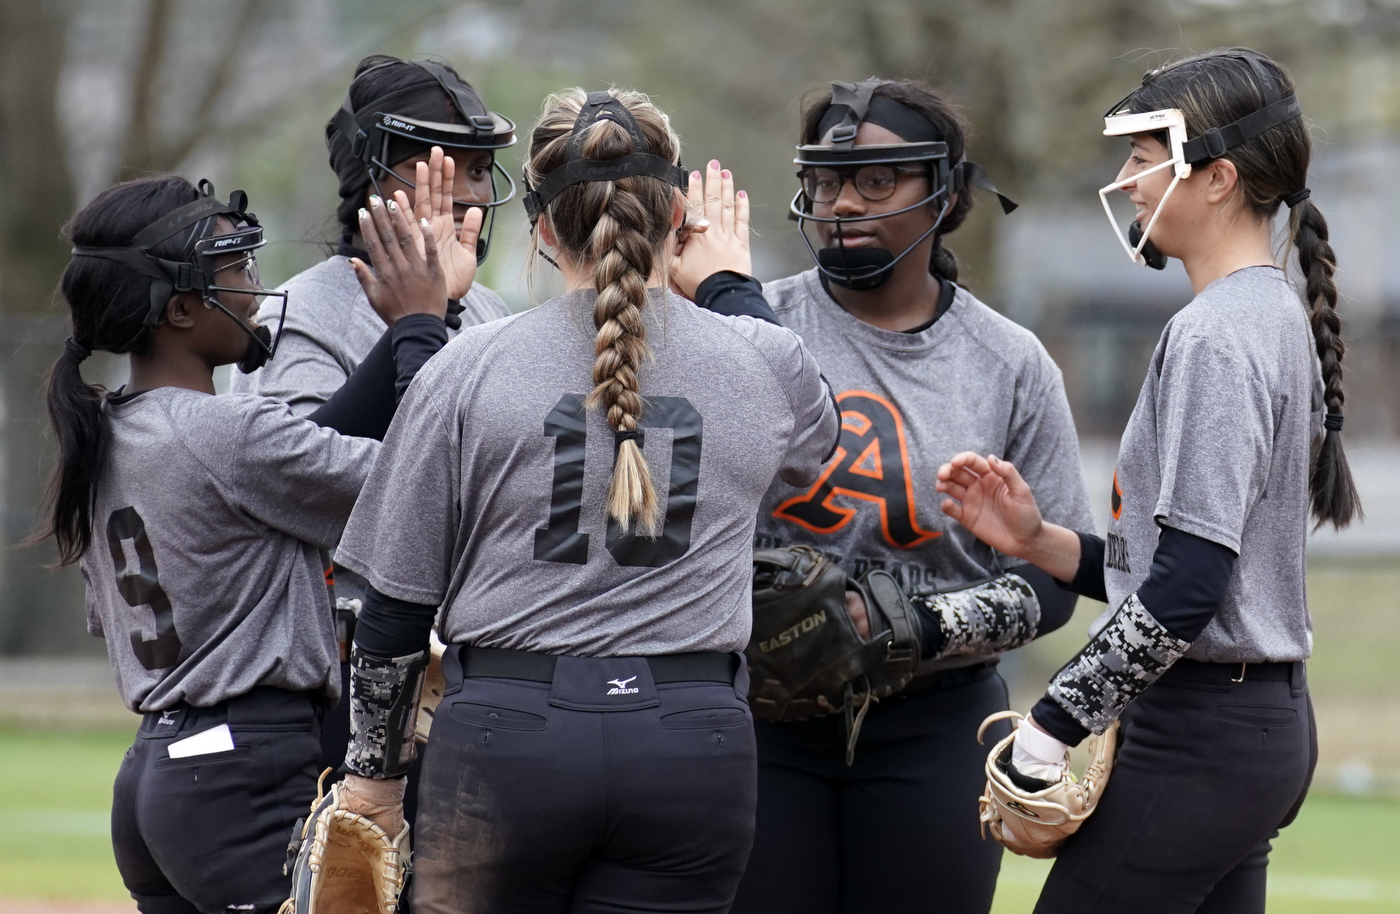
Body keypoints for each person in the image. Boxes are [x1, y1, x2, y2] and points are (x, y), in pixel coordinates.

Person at [327, 86, 839, 914]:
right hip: (692, 738)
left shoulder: (463, 366)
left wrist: (373, 780)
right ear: (678, 214)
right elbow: (817, 448)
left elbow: (391, 610)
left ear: (539, 225)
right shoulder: (765, 359)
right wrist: (732, 286)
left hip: (507, 735)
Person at [936, 48, 1353, 914]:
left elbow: (1190, 590)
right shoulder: (1268, 311)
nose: (1126, 182)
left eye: (1141, 157)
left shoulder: (1215, 334)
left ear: (1219, 178)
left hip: (1205, 735)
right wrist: (1037, 542)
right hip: (1251, 727)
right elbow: (1189, 570)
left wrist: (1052, 725)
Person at [719, 78, 1095, 914]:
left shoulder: (1011, 363)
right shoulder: (745, 328)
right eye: (825, 181)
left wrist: (910, 628)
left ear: (948, 192)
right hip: (757, 717)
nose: (842, 203)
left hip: (934, 722)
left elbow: (1055, 576)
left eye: (877, 181)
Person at [38, 170, 456, 913]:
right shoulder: (225, 432)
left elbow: (297, 453)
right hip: (241, 771)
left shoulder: (110, 431)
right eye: (234, 269)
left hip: (157, 774)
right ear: (178, 309)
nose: (253, 288)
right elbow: (420, 481)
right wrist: (426, 322)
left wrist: (396, 336)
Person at [231, 53, 515, 777]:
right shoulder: (305, 312)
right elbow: (296, 485)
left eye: (478, 170)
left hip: (481, 673)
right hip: (346, 675)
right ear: (372, 175)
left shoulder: (491, 313)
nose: (466, 193)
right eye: (438, 166)